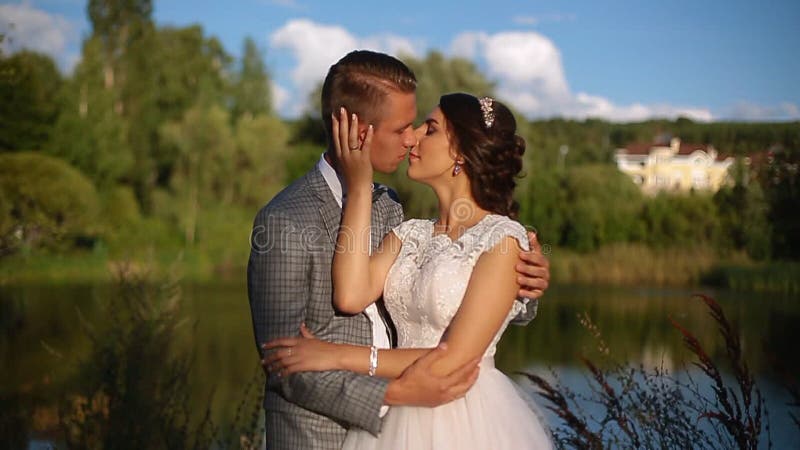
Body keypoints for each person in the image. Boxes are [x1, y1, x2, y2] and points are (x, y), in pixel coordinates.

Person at [248, 50, 550, 450]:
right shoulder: (290, 222)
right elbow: (327, 320)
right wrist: (358, 187)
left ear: (460, 153)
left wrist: (524, 288)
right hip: (337, 432)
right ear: (359, 132)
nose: (412, 140)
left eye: (426, 128)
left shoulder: (391, 206)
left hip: (460, 420)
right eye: (406, 127)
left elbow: (461, 320)